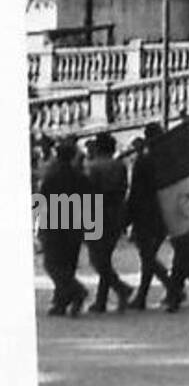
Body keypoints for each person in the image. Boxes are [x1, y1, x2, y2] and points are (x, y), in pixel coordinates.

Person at [124, 122, 174, 310]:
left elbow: (136, 191)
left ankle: (167, 288)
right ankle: (164, 289)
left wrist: (127, 216)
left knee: (147, 256)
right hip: (165, 211)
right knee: (148, 256)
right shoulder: (169, 160)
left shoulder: (143, 161)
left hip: (145, 214)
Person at [39, 138, 90, 317]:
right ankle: (62, 301)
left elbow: (42, 202)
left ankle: (76, 292)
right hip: (75, 223)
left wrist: (40, 227)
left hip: (55, 223)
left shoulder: (51, 177)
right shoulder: (80, 177)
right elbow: (90, 202)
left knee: (52, 263)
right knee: (68, 264)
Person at [84, 132, 133, 313]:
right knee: (105, 258)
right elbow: (123, 188)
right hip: (116, 213)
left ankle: (121, 289)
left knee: (97, 260)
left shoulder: (93, 167)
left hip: (97, 213)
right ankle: (102, 300)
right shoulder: (119, 165)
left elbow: (88, 192)